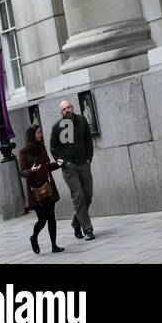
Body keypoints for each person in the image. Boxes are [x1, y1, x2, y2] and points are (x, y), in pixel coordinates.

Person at [49, 98, 95, 240]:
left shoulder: (82, 121)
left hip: (84, 163)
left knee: (88, 195)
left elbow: (88, 140)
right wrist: (63, 163)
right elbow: (53, 147)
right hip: (69, 167)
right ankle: (88, 229)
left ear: (73, 107)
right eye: (64, 109)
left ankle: (76, 223)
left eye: (68, 107)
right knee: (78, 196)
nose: (67, 110)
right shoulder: (57, 127)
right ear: (61, 112)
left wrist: (88, 158)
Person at [18, 124, 64, 255]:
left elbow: (46, 166)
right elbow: (22, 172)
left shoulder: (41, 147)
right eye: (38, 133)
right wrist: (31, 170)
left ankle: (54, 245)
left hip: (48, 187)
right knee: (42, 220)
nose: (41, 134)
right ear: (33, 135)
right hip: (35, 191)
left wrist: (58, 164)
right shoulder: (24, 151)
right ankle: (34, 237)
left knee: (52, 217)